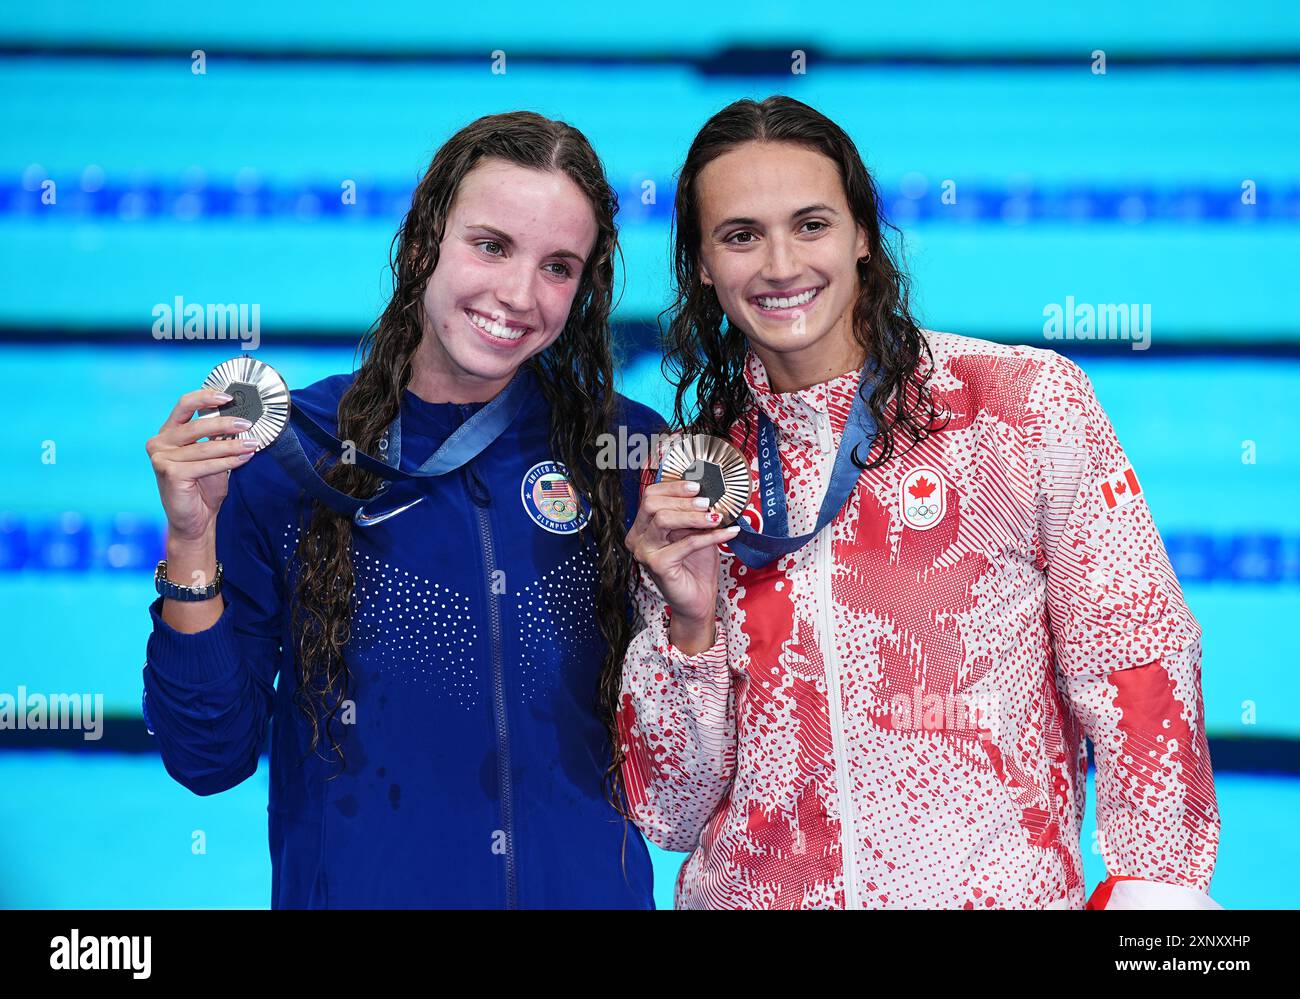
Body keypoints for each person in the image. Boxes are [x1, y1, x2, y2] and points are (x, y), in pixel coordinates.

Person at [618, 95, 1221, 910]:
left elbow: (1135, 655)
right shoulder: (698, 479)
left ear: (862, 235)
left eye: (811, 224)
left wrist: (1160, 893)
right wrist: (687, 626)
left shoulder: (1015, 404)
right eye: (740, 235)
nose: (780, 265)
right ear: (699, 262)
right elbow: (671, 813)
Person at [144, 111, 662, 908]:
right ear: (425, 237)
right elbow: (208, 756)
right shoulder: (292, 455)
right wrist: (190, 538)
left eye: (558, 266)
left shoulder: (626, 453)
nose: (519, 295)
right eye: (491, 246)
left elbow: (684, 763)